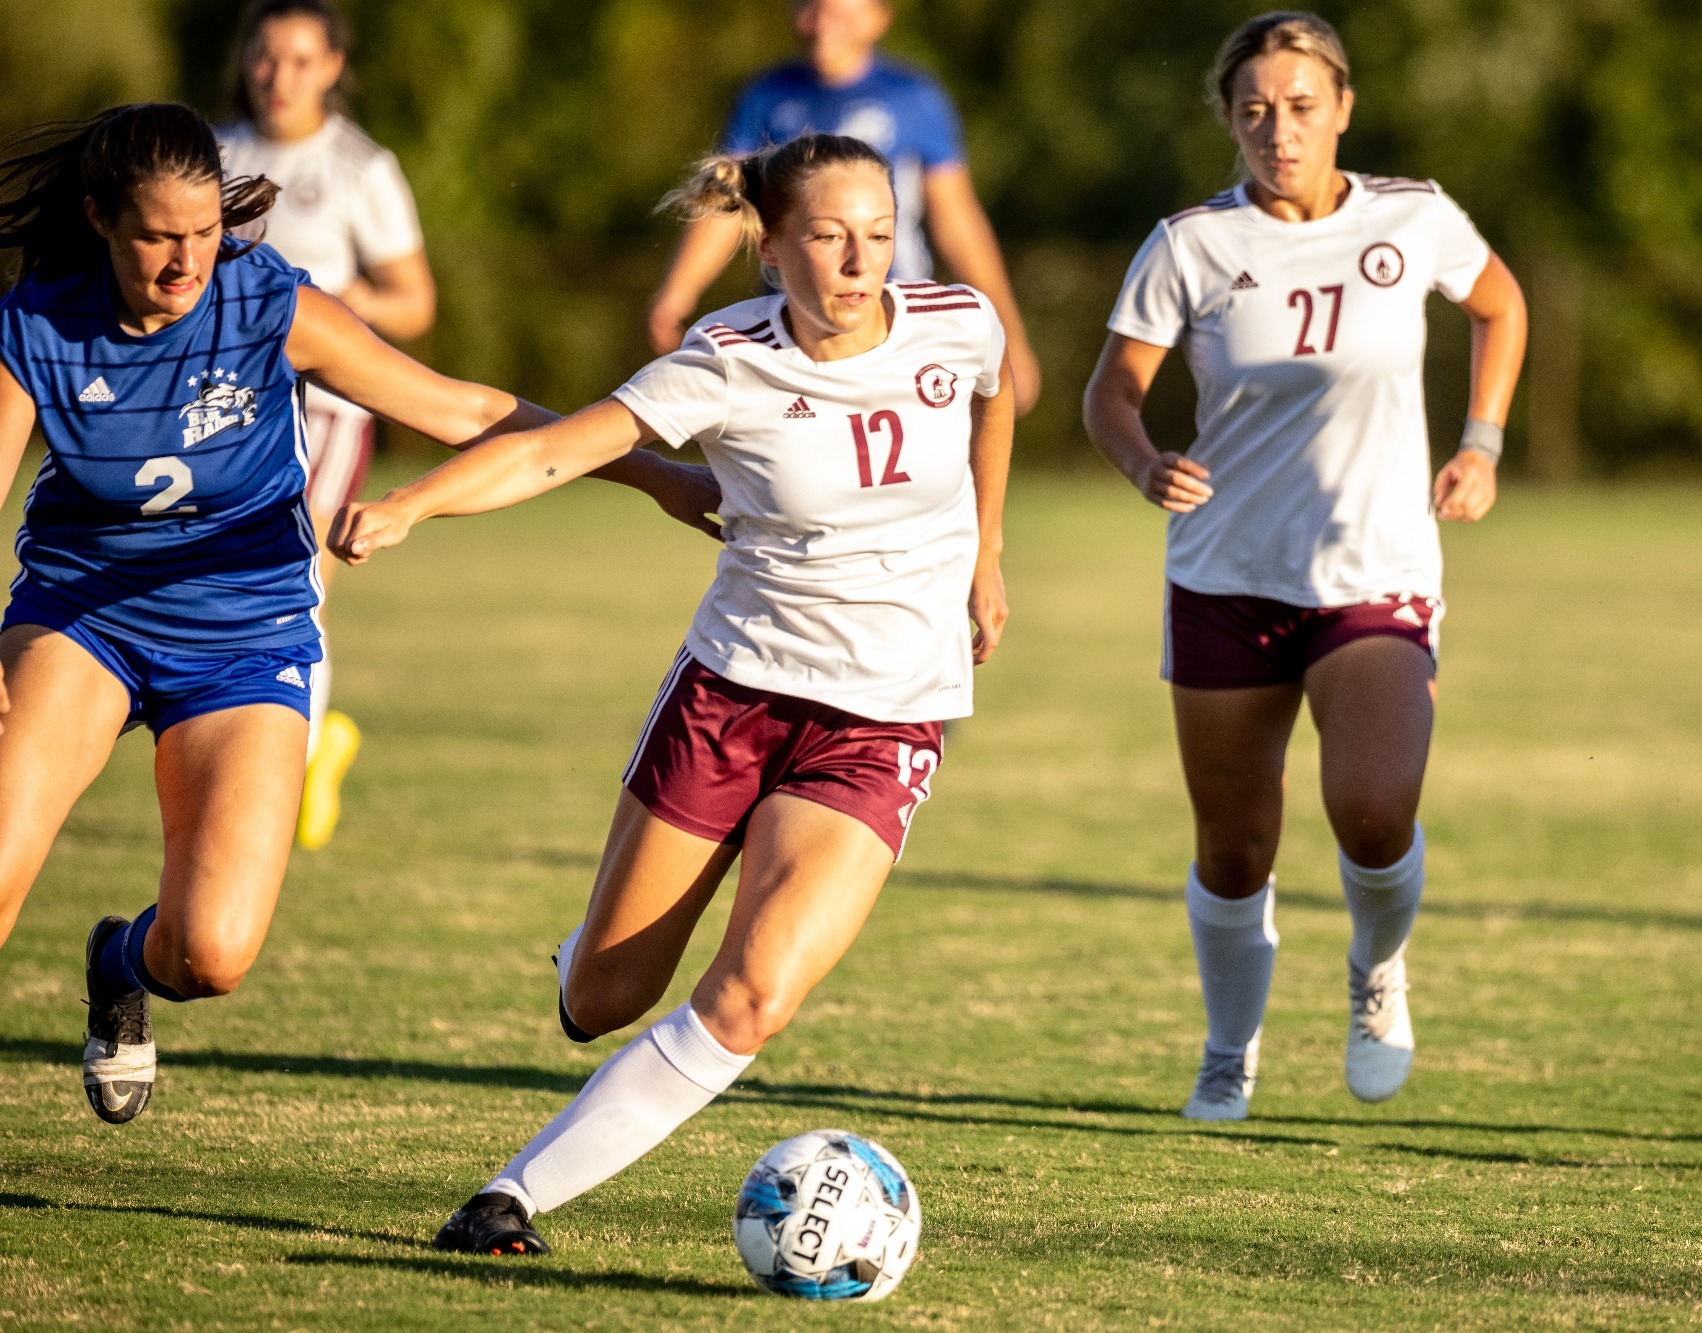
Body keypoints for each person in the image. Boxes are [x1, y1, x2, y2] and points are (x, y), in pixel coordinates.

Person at [328, 132, 1012, 1257]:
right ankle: (586, 948)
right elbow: (557, 451)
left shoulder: (957, 320)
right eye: (830, 238)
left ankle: (509, 1200)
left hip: (883, 720)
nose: (860, 262)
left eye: (879, 235)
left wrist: (985, 553)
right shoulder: (724, 357)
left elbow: (996, 398)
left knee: (751, 994)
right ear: (769, 244)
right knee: (602, 998)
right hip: (732, 697)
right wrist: (415, 505)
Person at [0, 103, 716, 1126]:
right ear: (101, 219)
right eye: (157, 235)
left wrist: (650, 471)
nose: (184, 262)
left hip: (244, 639)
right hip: (83, 616)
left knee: (210, 955)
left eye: (203, 233)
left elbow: (463, 408)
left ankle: (119, 962)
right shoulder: (36, 323)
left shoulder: (265, 303)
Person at [1081, 12, 1527, 1120]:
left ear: (1341, 107)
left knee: (1373, 813)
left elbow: (1499, 305)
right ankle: (1228, 1045)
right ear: (1230, 121)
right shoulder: (1189, 242)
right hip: (1225, 577)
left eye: (1297, 105)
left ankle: (1376, 972)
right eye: (1252, 111)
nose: (1276, 129)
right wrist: (1141, 464)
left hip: (1372, 572)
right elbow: (1109, 394)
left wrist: (1479, 442)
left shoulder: (1410, 218)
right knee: (1234, 851)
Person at [215, 0, 436, 850]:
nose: (280, 77)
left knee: (297, 585)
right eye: (267, 58)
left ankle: (287, 775)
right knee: (227, 588)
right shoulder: (211, 151)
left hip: (325, 410)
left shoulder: (359, 167)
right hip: (226, 409)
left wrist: (320, 309)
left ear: (334, 67)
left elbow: (415, 302)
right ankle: (296, 748)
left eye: (302, 61)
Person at [646, 0, 1042, 417]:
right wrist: (677, 293)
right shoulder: (765, 96)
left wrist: (1008, 333)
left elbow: (958, 221)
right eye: (811, 8)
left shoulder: (912, 97)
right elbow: (729, 205)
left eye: (840, 14)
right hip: (793, 323)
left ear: (878, 19)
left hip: (892, 317)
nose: (822, 26)